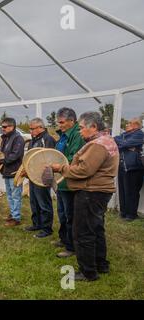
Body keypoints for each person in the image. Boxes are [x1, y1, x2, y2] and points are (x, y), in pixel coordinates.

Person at [51, 112, 119, 281]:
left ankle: (88, 271)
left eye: (81, 128)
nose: (80, 132)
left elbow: (84, 169)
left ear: (94, 127)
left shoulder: (98, 144)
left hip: (91, 192)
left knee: (83, 232)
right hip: (98, 191)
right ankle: (101, 264)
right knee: (96, 229)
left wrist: (61, 168)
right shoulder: (105, 141)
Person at [54, 107, 85, 258]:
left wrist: (59, 167)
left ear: (72, 121)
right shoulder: (63, 135)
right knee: (62, 213)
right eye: (58, 122)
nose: (59, 125)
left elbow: (72, 157)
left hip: (69, 181)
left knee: (70, 214)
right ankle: (64, 239)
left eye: (62, 122)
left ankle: (71, 246)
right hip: (61, 181)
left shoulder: (77, 135)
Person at [24, 118, 56, 238]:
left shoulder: (48, 139)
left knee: (44, 202)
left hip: (42, 177)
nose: (30, 131)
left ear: (40, 127)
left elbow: (50, 157)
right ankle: (36, 223)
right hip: (33, 175)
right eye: (30, 129)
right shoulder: (33, 140)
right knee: (34, 201)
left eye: (32, 129)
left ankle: (47, 228)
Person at [114, 118, 144, 222]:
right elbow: (115, 139)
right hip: (122, 165)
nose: (127, 125)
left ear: (136, 125)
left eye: (129, 123)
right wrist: (124, 144)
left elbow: (124, 144)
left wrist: (123, 144)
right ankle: (123, 213)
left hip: (133, 167)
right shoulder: (125, 135)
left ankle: (131, 215)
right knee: (122, 190)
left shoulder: (140, 134)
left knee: (132, 191)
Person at [0, 118, 25, 227]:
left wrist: (1, 161)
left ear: (12, 127)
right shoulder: (5, 138)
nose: (2, 129)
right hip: (7, 171)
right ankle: (13, 213)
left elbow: (15, 155)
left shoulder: (18, 139)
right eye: (2, 127)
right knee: (9, 195)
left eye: (4, 127)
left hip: (15, 171)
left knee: (15, 195)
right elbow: (3, 153)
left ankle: (16, 218)